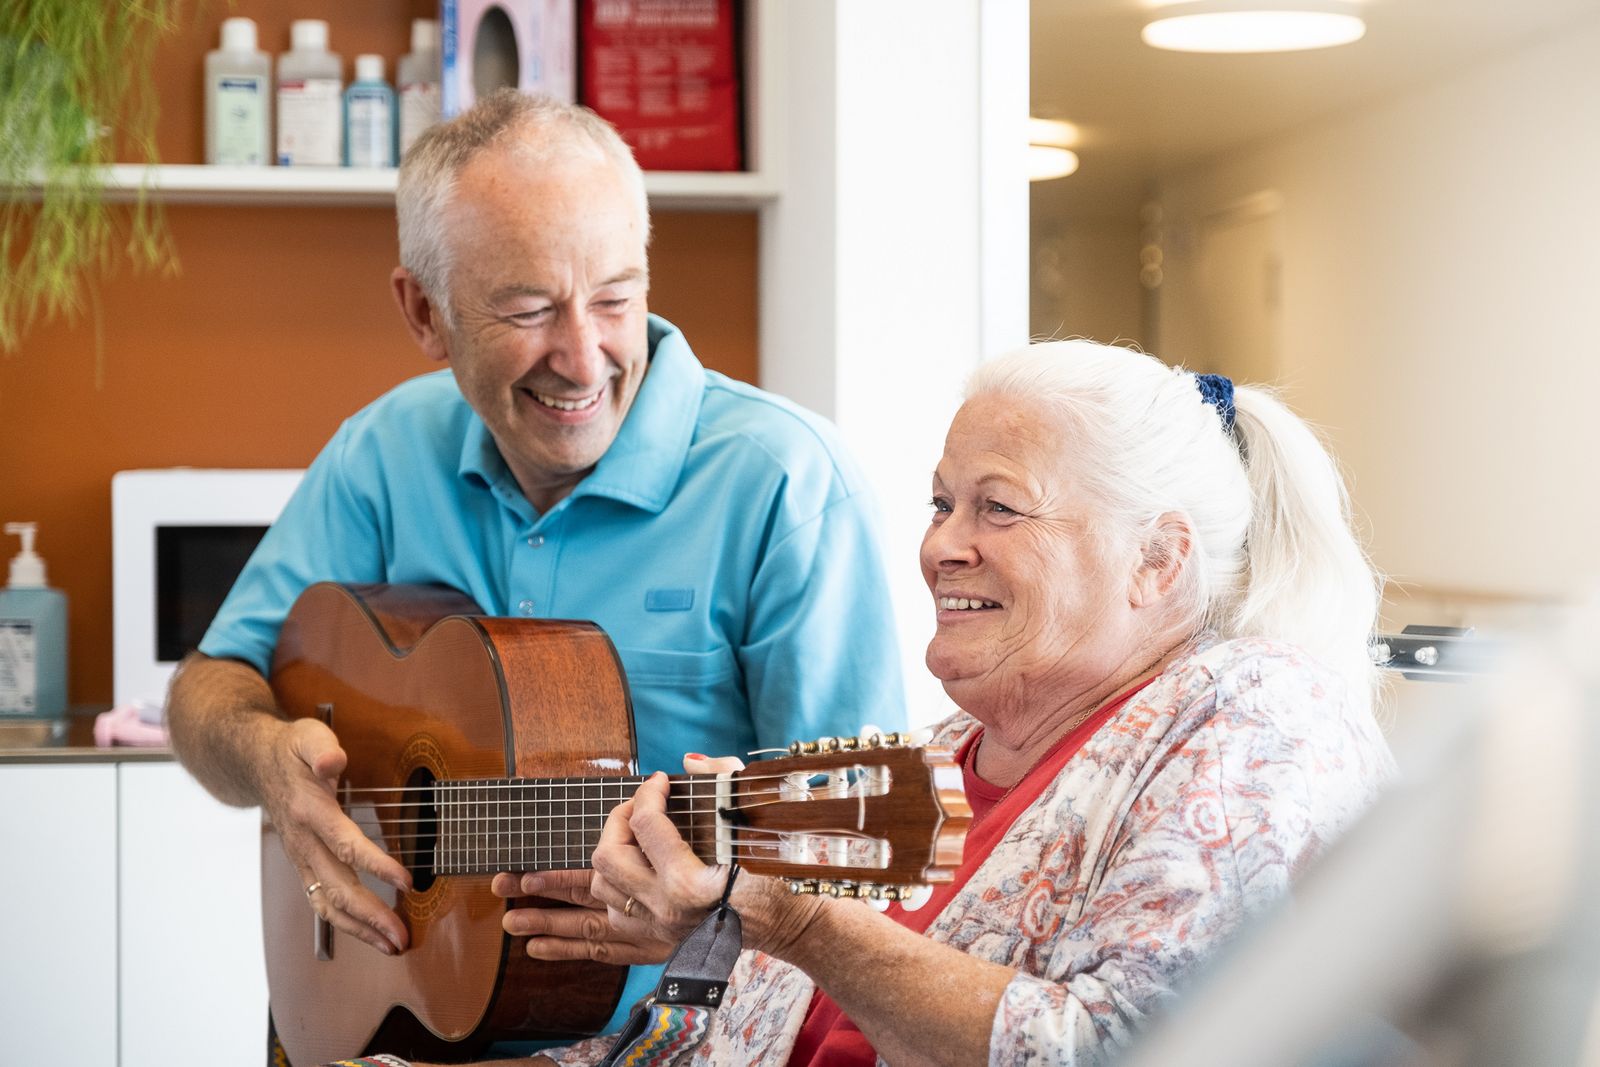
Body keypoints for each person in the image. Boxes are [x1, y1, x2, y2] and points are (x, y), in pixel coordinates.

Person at [164, 89, 906, 1038]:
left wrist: (709, 909)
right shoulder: (382, 452)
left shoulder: (791, 486)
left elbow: (858, 858)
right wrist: (270, 761)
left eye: (615, 297)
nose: (584, 355)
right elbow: (207, 689)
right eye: (527, 308)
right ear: (424, 311)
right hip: (389, 1031)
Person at [474, 339, 1397, 1067]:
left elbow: (1128, 1048)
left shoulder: (1261, 717)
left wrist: (795, 920)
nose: (940, 546)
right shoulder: (944, 753)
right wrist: (699, 922)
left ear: (1155, 560)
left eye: (998, 508)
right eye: (941, 502)